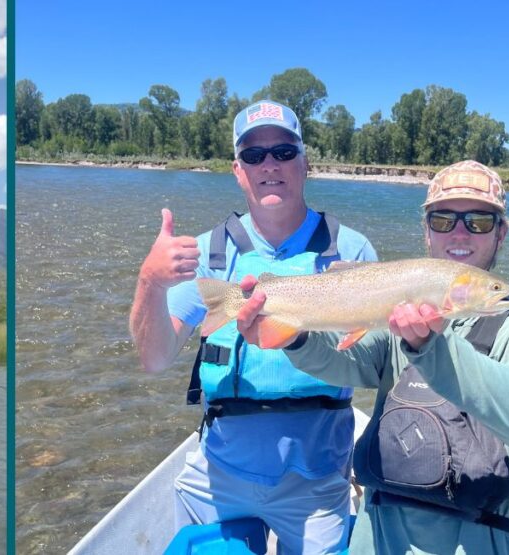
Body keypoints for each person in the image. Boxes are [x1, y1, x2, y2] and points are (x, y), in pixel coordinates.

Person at [233, 160, 509, 555]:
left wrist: (431, 347)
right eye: (443, 220)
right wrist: (293, 337)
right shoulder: (399, 310)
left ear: (501, 234)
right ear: (427, 233)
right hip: (379, 536)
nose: (459, 232)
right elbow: (344, 362)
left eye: (478, 221)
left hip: (481, 537)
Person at [128, 99, 379, 554]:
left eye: (284, 152)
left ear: (305, 164)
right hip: (220, 475)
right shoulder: (207, 253)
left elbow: (373, 362)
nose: (269, 164)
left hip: (318, 480)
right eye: (253, 154)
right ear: (237, 170)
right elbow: (154, 359)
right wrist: (150, 282)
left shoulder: (351, 251)